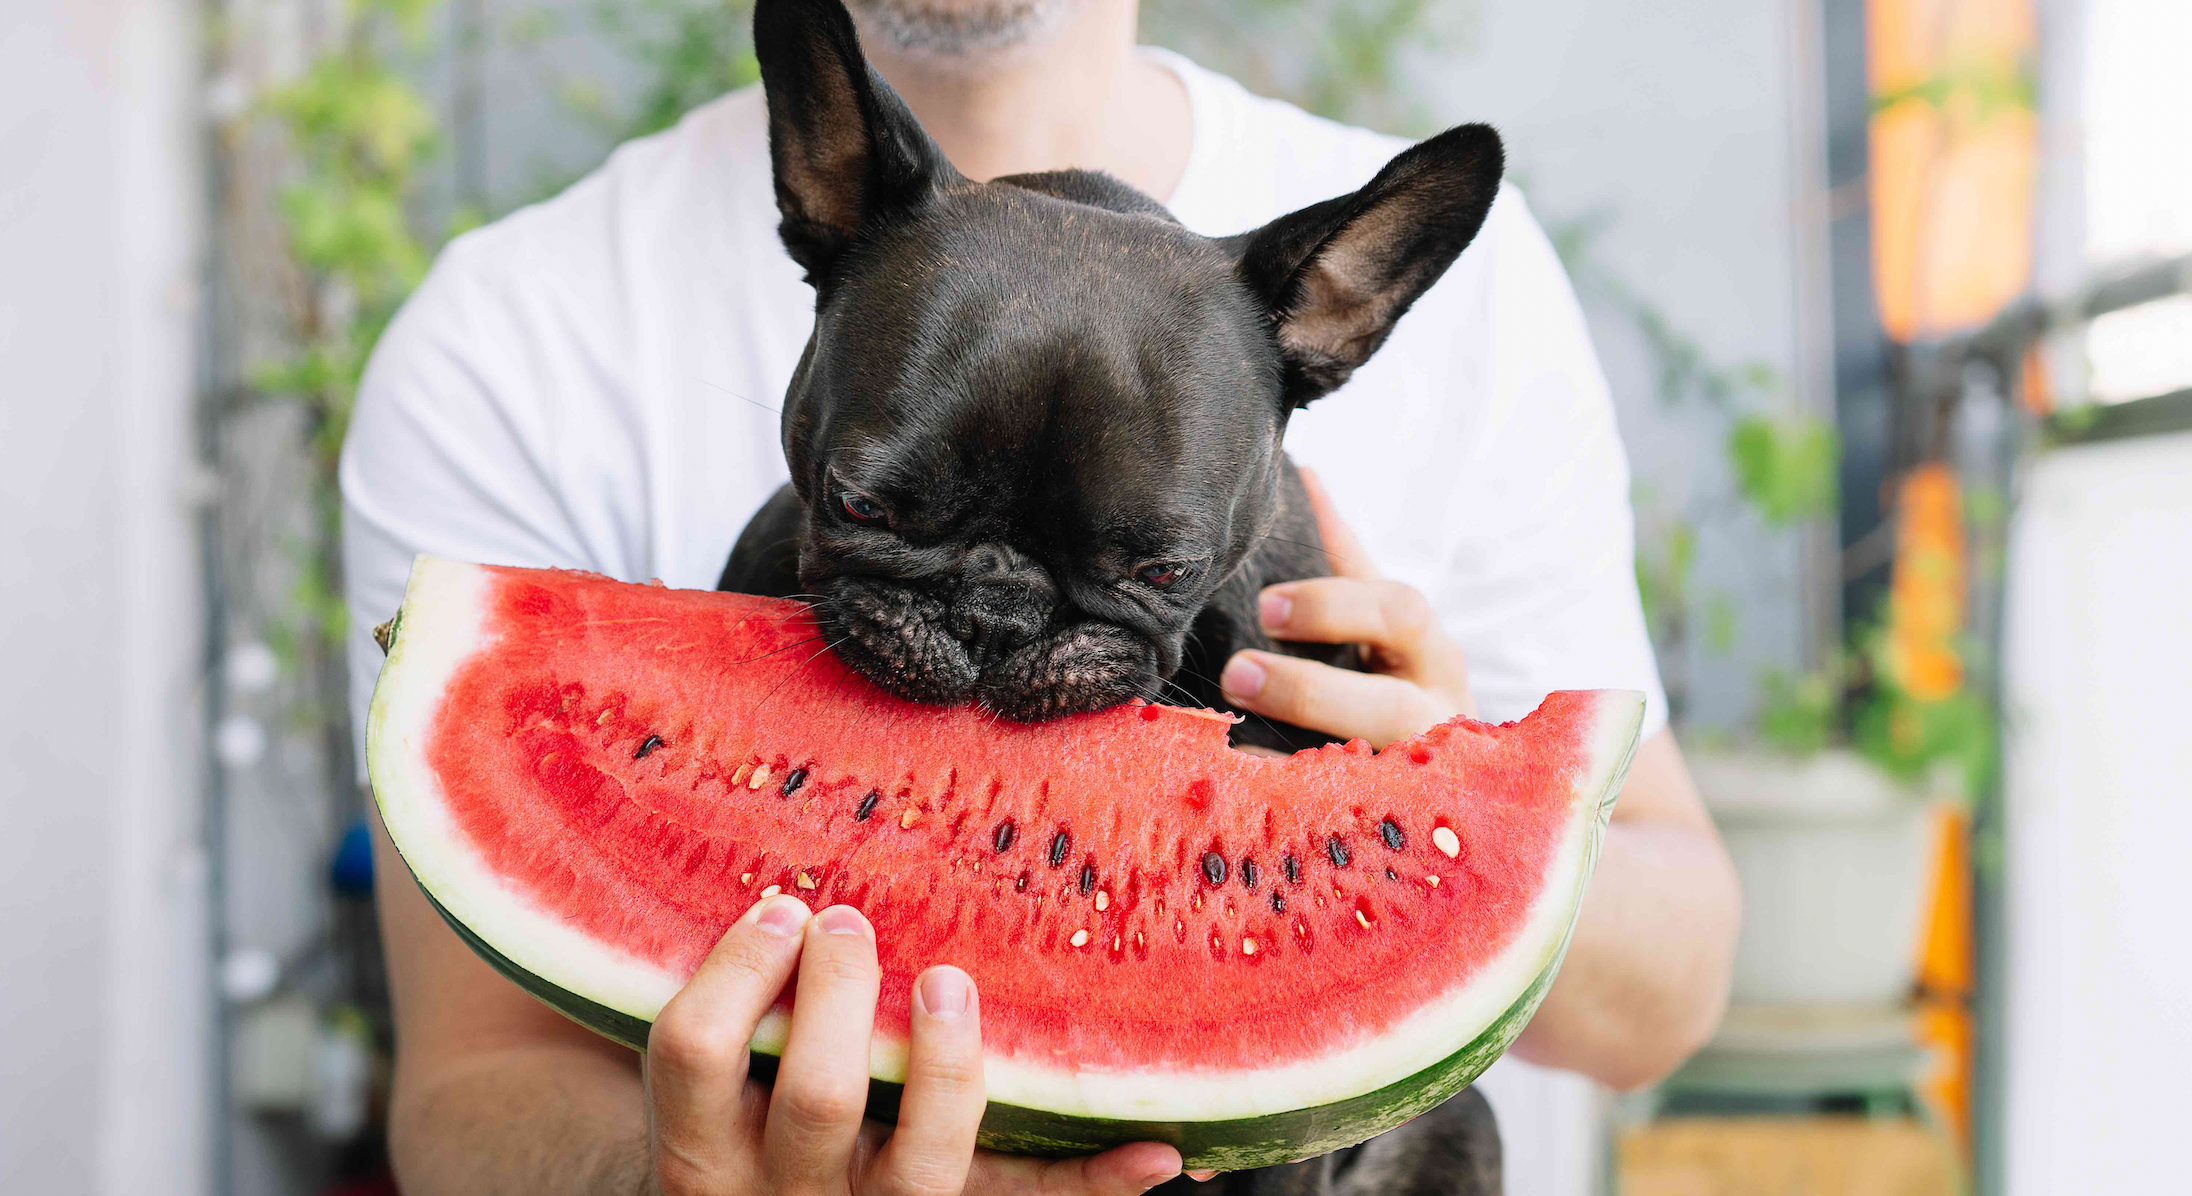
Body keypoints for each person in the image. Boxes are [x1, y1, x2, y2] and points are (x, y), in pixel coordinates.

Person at [341, 1, 1742, 1192]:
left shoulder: (1491, 319)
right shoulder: (510, 333)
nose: (993, 622)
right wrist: (681, 1168)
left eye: (1145, 570)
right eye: (878, 511)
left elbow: (1672, 991)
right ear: (818, 193)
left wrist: (1452, 821)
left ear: (1332, 334)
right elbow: (470, 1088)